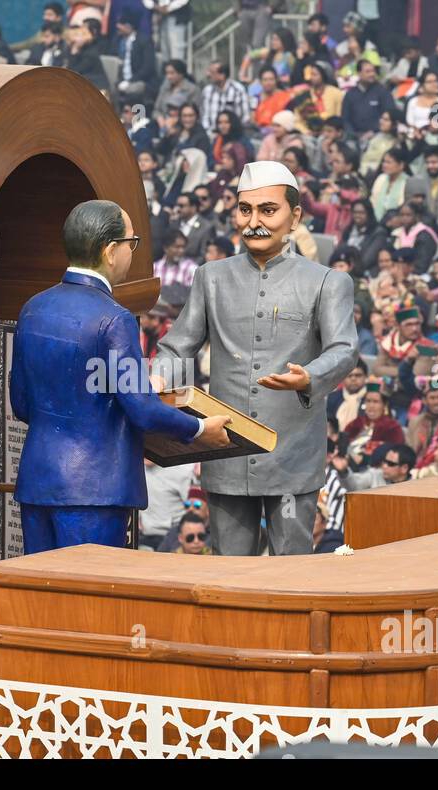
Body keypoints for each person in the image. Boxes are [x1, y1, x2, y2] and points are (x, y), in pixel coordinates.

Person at [152, 160, 358, 556]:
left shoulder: (328, 282)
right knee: (229, 574)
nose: (254, 221)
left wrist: (309, 376)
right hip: (224, 449)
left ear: (294, 215)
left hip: (292, 455)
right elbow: (177, 346)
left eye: (268, 210)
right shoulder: (211, 277)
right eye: (245, 210)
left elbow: (344, 349)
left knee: (290, 574)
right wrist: (158, 380)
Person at [11, 200, 229, 554]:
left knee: (42, 598)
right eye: (132, 243)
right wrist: (201, 430)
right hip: (96, 488)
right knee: (91, 601)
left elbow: (21, 404)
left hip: (38, 480)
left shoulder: (33, 308)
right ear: (111, 251)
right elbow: (141, 410)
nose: (132, 251)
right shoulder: (114, 319)